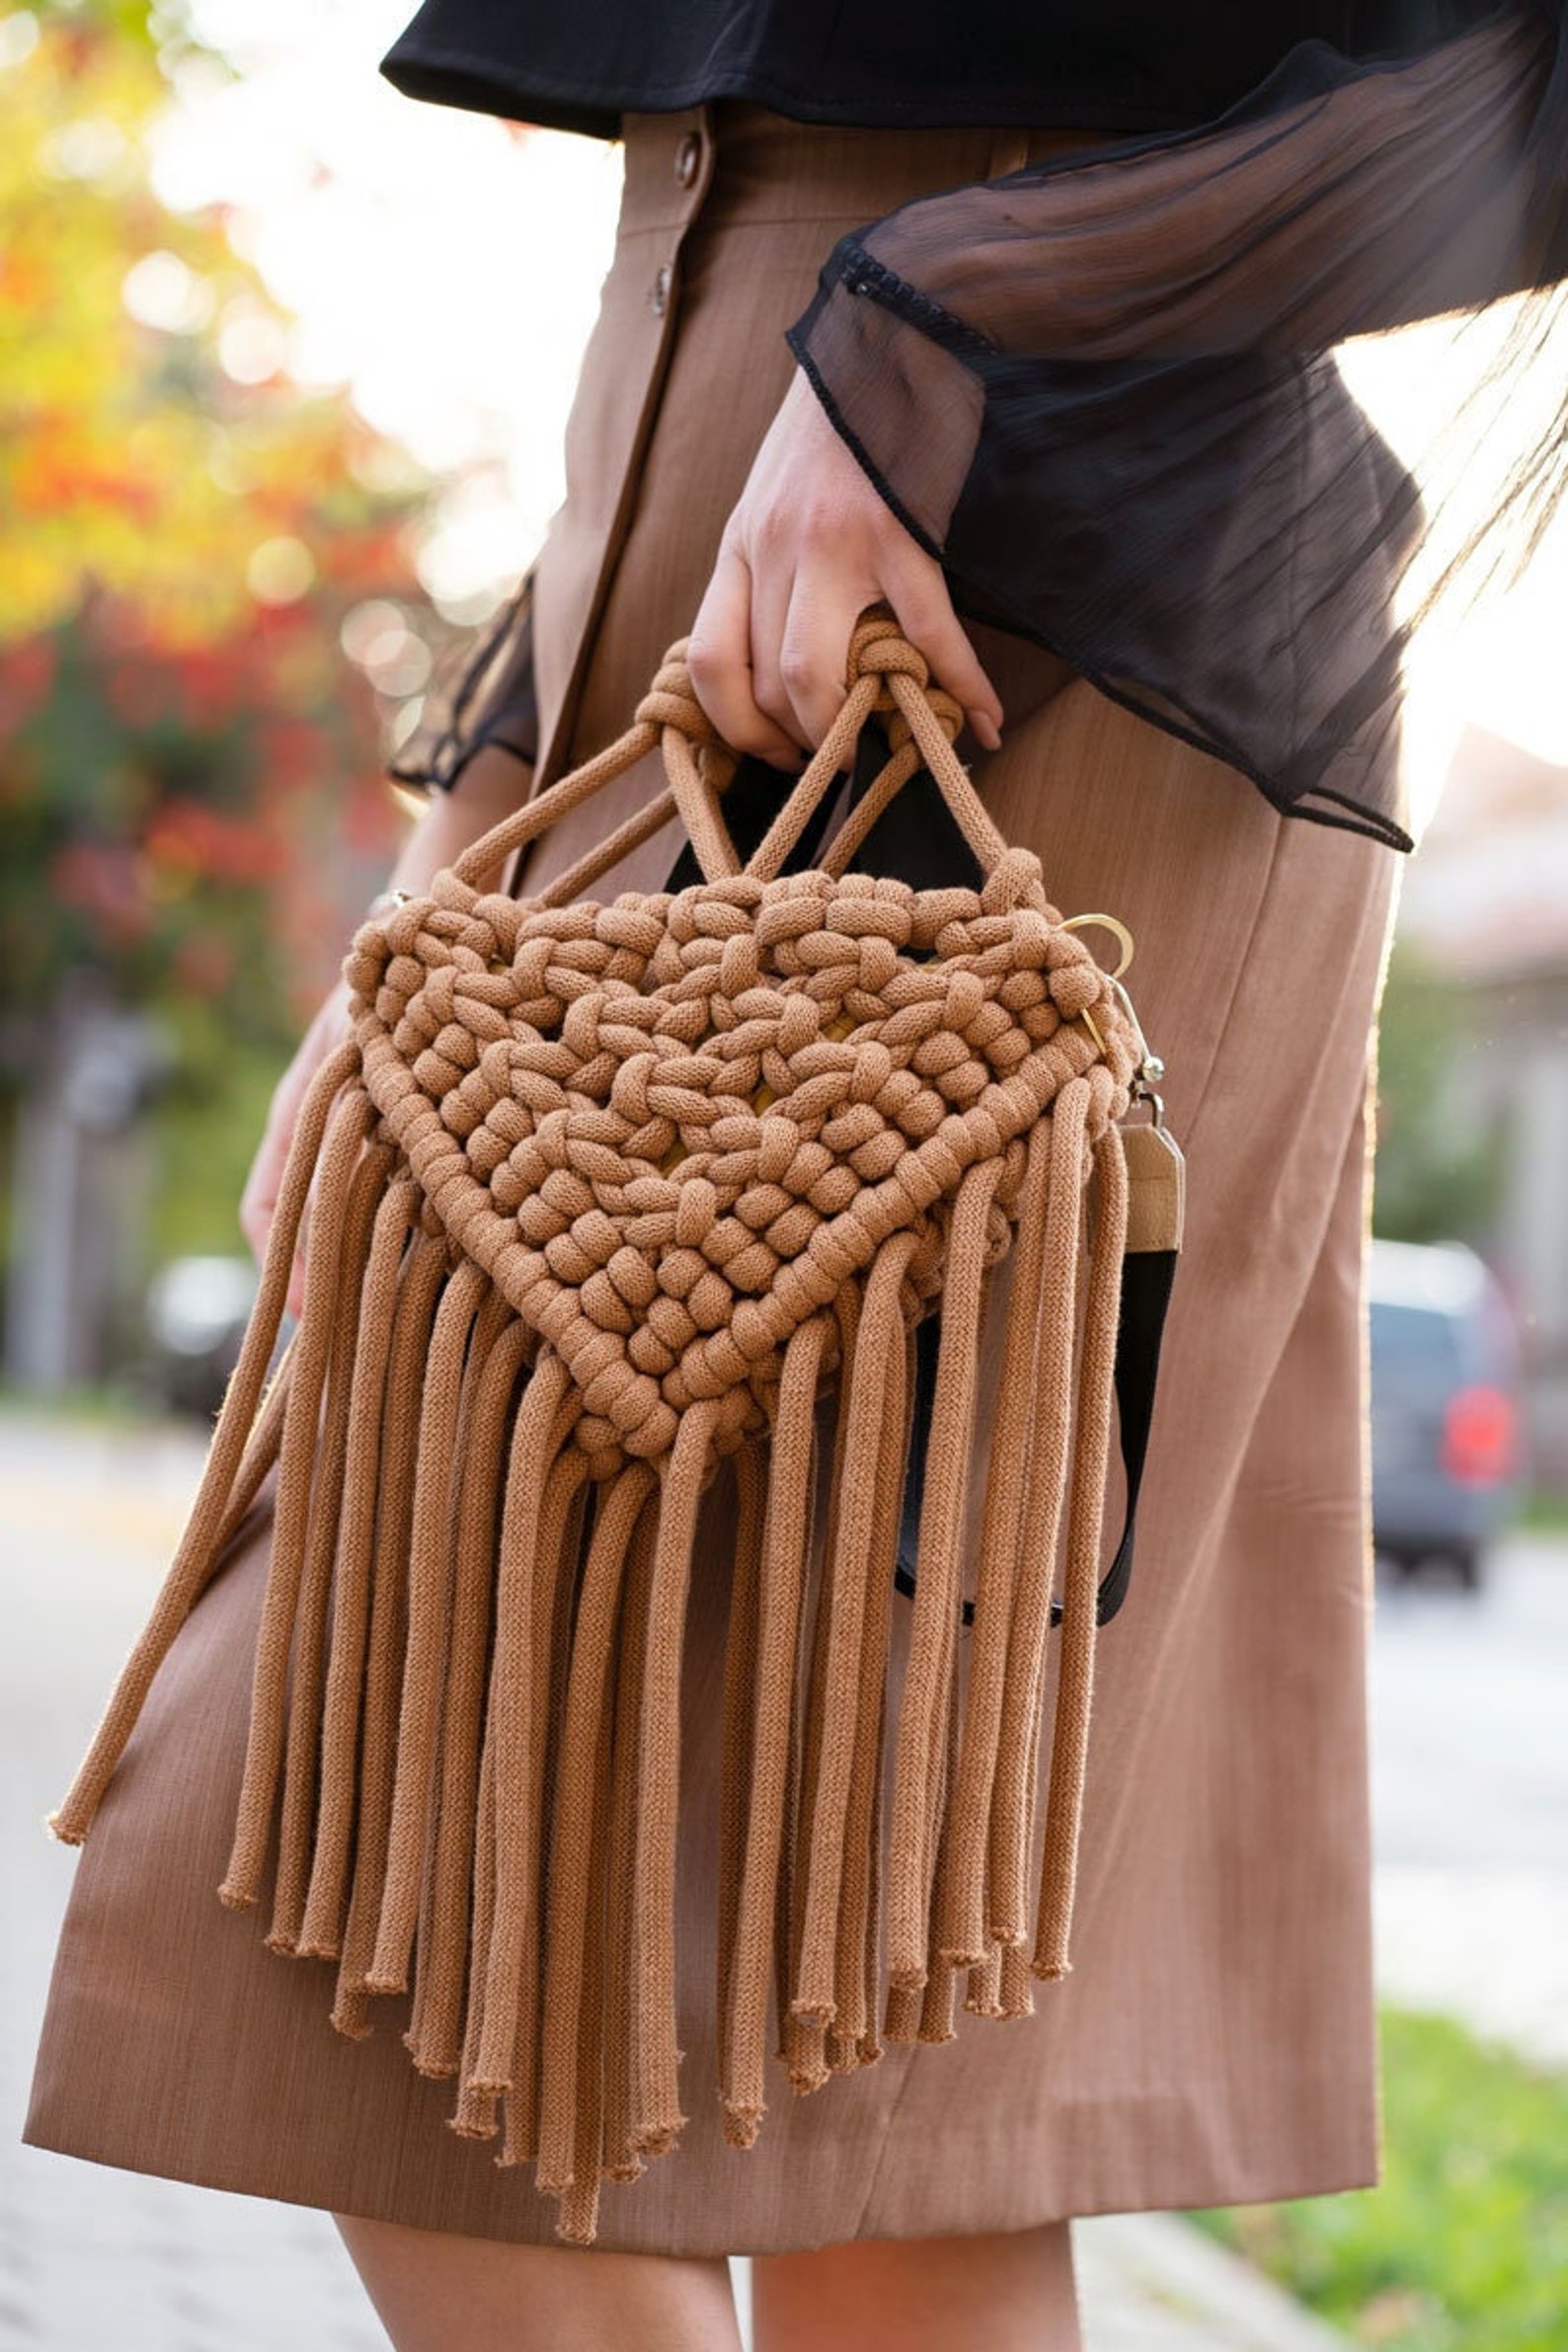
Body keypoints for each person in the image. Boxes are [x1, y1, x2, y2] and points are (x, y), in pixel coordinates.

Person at [24, 6, 1568, 2348]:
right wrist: (459, 836)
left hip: (1064, 573)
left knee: (877, 2076)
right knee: (346, 1916)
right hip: (687, 480)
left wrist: (927, 318)